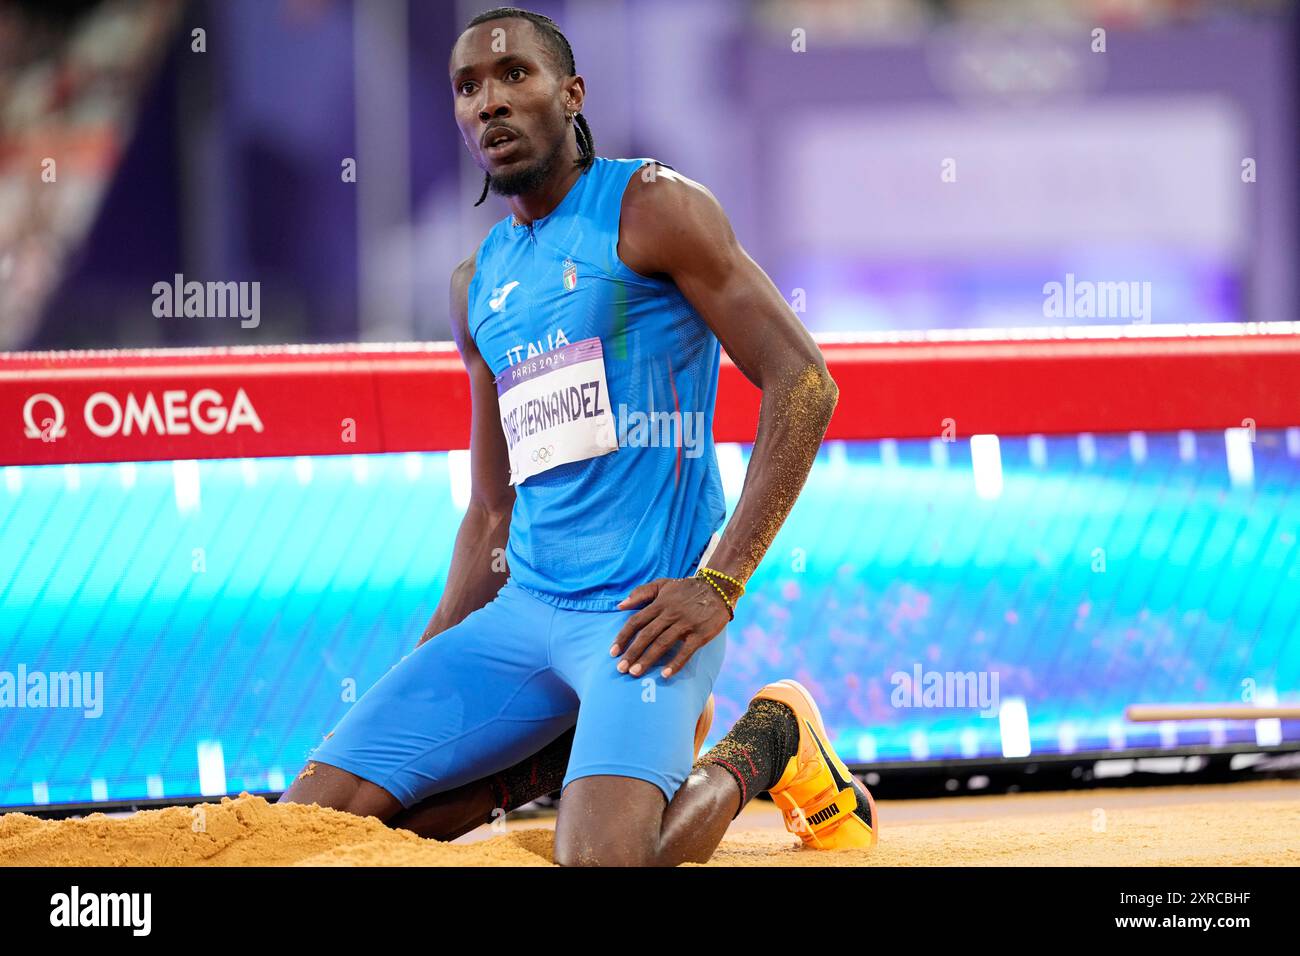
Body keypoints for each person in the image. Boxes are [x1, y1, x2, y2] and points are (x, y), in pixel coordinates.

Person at [279, 6, 876, 865]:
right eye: (468, 87)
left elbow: (804, 383)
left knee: (605, 862)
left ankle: (769, 738)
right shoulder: (475, 283)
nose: (491, 101)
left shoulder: (655, 209)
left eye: (515, 75)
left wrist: (719, 584)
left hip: (644, 619)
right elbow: (491, 513)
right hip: (525, 616)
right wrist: (428, 662)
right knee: (318, 826)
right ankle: (557, 758)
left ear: (572, 93)